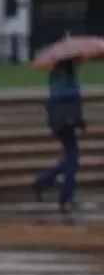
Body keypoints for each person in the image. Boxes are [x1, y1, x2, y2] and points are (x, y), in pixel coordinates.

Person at [35, 58, 86, 213]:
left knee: (71, 157)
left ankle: (43, 181)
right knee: (72, 158)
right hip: (68, 123)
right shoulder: (70, 82)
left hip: (57, 123)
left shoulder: (55, 78)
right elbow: (74, 104)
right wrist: (79, 122)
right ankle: (66, 196)